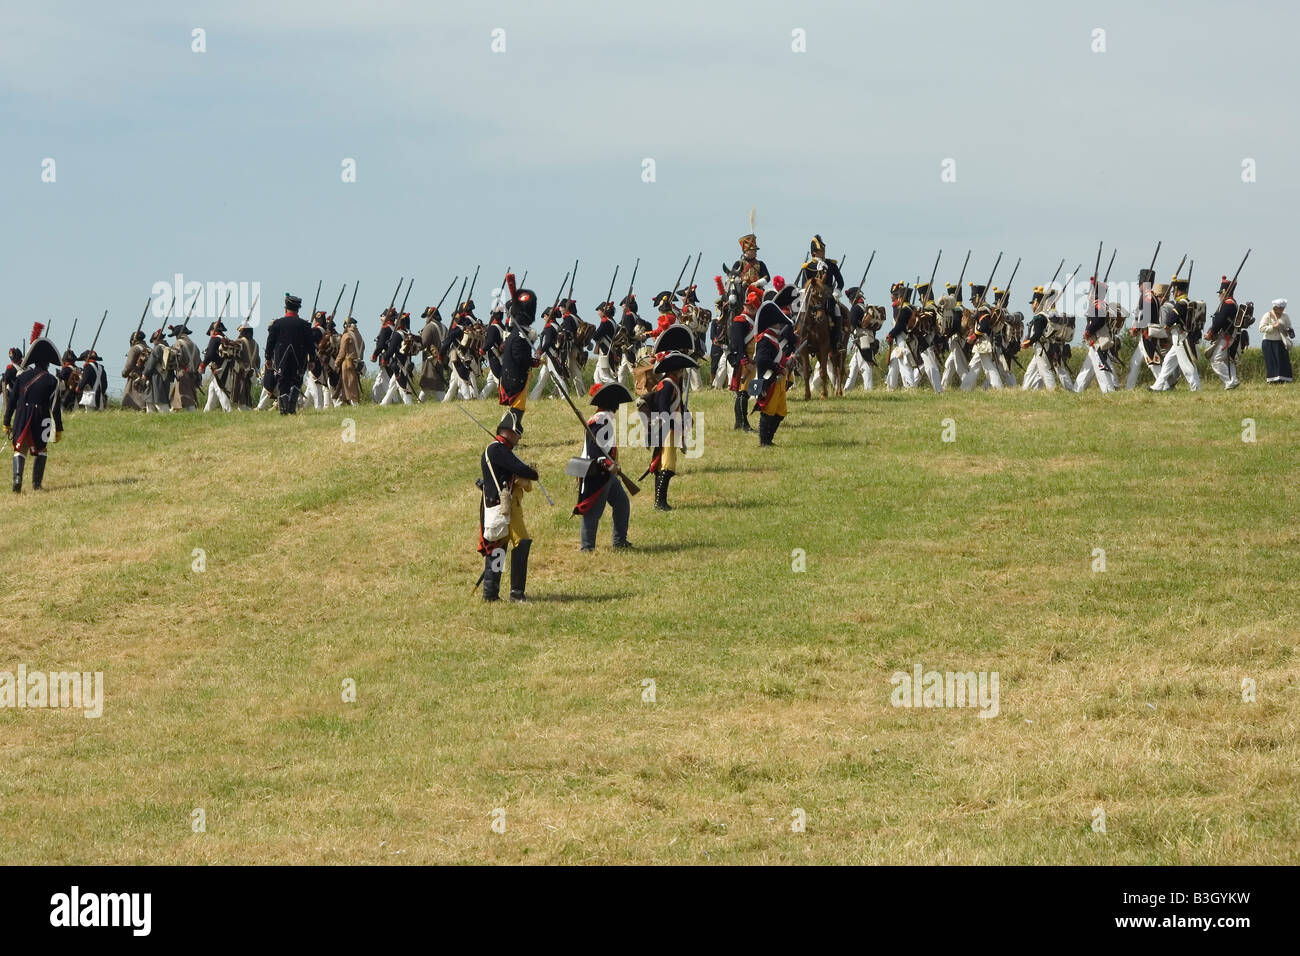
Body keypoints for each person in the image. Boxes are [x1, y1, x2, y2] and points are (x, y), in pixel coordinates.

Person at [477, 409, 540, 602]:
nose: (518, 439)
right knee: (521, 543)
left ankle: (490, 594)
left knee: (498, 548)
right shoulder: (497, 450)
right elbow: (521, 469)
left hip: (503, 504)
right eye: (517, 434)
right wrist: (532, 472)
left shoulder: (500, 450)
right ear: (508, 432)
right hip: (505, 505)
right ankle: (516, 593)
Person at [575, 382, 635, 552]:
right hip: (595, 472)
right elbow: (595, 453)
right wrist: (609, 465)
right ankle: (587, 549)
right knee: (593, 511)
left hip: (605, 472)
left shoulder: (604, 418)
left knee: (621, 503)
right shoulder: (600, 420)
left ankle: (619, 541)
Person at [5, 324, 63, 493]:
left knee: (20, 448)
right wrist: (58, 428)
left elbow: (12, 401)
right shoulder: (53, 381)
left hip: (22, 415)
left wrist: (6, 422)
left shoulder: (22, 376)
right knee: (41, 449)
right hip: (41, 417)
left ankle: (17, 480)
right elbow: (55, 407)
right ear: (48, 364)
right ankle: (36, 485)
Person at [643, 349, 697, 510]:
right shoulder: (667, 384)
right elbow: (663, 407)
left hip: (668, 428)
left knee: (662, 465)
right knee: (667, 465)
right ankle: (660, 502)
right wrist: (674, 424)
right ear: (678, 369)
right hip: (667, 430)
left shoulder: (670, 383)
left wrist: (686, 415)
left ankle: (659, 501)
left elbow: (676, 405)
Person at [752, 292, 797, 446]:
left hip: (778, 381)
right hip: (769, 380)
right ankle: (764, 441)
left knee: (780, 412)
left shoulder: (773, 340)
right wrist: (778, 367)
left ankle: (768, 439)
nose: (780, 325)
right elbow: (761, 360)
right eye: (778, 323)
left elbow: (779, 358)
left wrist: (789, 361)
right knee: (768, 412)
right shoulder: (765, 339)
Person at [266, 293, 314, 414]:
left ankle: (283, 410)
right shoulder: (305, 325)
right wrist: (312, 359)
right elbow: (310, 345)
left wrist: (268, 358)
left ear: (286, 307)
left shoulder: (277, 324)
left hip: (281, 358)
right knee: (297, 381)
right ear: (298, 308)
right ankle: (291, 408)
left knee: (283, 382)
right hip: (300, 358)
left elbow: (270, 342)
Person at [1259, 298, 1293, 384]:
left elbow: (1290, 327)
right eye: (1280, 308)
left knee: (1283, 363)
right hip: (1268, 342)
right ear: (1275, 308)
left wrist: (1288, 330)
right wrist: (1273, 326)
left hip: (1281, 342)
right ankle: (1272, 382)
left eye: (1283, 308)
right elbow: (1261, 328)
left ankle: (1284, 380)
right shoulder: (1268, 315)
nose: (1282, 310)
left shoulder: (1285, 316)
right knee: (1271, 363)